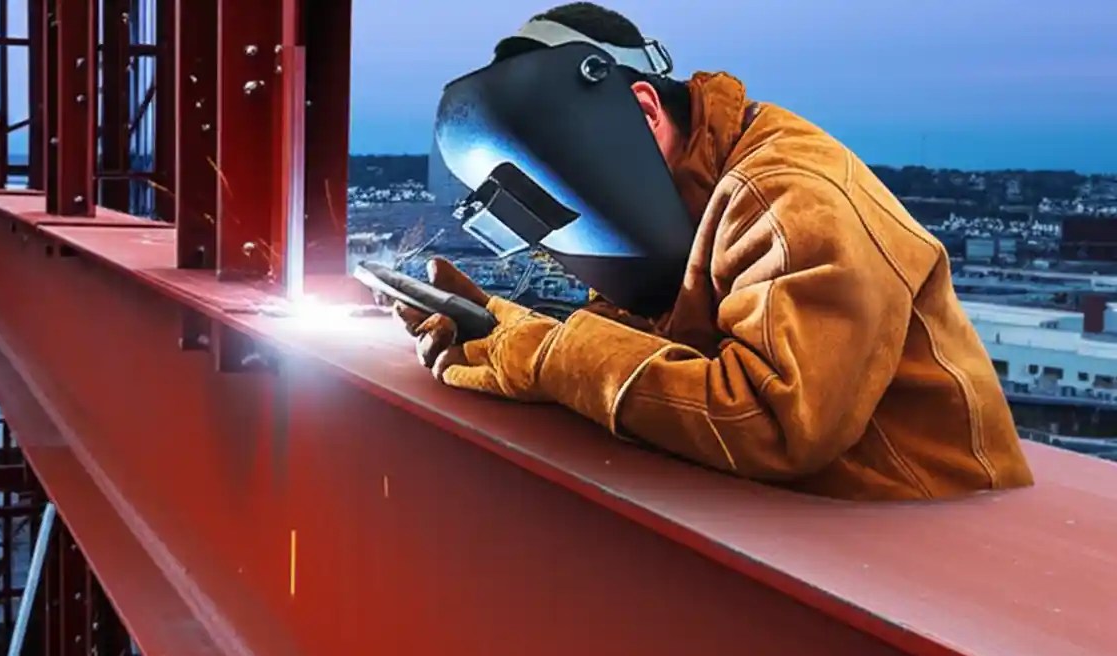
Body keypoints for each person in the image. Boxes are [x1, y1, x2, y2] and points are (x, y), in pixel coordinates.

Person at [395, 2, 1034, 501]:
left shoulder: (788, 195)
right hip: (820, 527)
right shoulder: (672, 209)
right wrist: (499, 332)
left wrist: (542, 357)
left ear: (642, 109)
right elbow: (637, 350)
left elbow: (776, 422)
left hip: (914, 534)